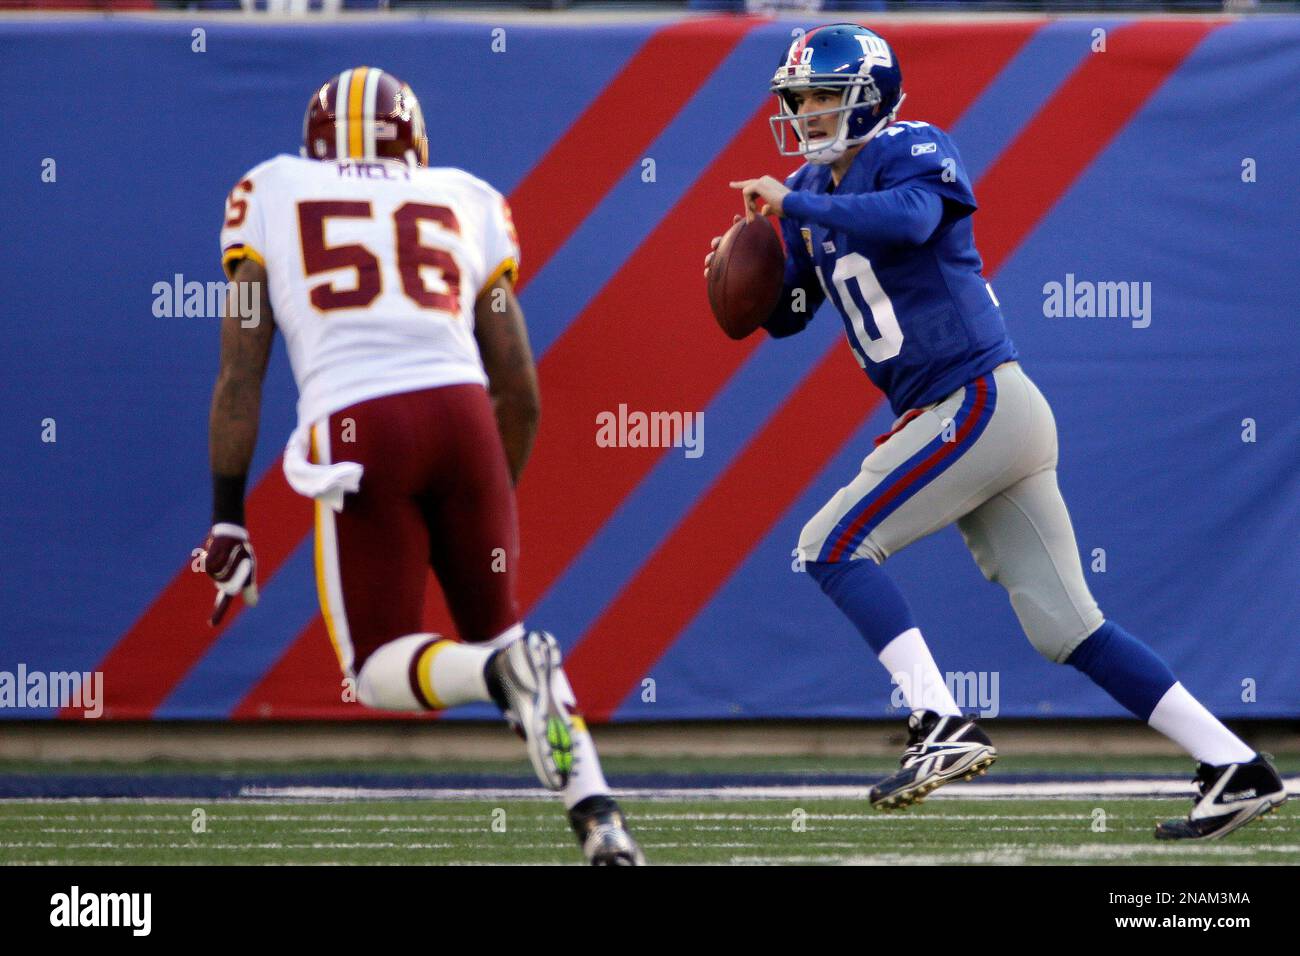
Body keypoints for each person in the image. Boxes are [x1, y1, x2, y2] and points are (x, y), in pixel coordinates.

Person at [711, 24, 1286, 840]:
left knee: (830, 543)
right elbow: (791, 312)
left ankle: (939, 723)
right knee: (1069, 628)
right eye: (797, 98)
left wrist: (796, 202)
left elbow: (910, 221)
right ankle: (1233, 764)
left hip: (977, 401)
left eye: (822, 96)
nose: (804, 111)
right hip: (970, 416)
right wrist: (743, 276)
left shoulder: (909, 148)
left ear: (868, 97)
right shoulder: (810, 195)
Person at [202, 66, 644, 864]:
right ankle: (601, 820)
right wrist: (480, 502)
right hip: (465, 419)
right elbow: (519, 387)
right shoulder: (466, 198)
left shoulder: (265, 191)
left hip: (360, 426)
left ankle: (506, 675)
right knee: (501, 627)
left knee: (377, 670)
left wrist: (228, 515)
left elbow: (242, 369)